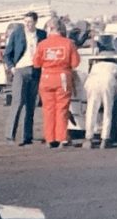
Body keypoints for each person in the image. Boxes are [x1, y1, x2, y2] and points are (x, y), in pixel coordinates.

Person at [32, 17, 81, 148]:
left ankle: (50, 138)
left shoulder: (42, 44)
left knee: (48, 109)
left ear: (50, 28)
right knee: (62, 109)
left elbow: (36, 63)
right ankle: (62, 138)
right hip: (62, 78)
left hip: (46, 78)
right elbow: (75, 63)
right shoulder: (68, 43)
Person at [3, 11, 47, 146]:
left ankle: (27, 136)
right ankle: (10, 135)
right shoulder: (17, 33)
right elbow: (7, 54)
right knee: (18, 102)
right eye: (25, 22)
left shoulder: (41, 35)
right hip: (21, 70)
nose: (27, 24)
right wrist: (11, 67)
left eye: (30, 22)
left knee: (31, 104)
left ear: (35, 22)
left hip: (35, 70)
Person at [82, 57, 117, 149]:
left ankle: (88, 139)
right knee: (107, 112)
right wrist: (113, 98)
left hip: (92, 82)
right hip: (108, 82)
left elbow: (86, 84)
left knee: (91, 111)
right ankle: (104, 140)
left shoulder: (95, 66)